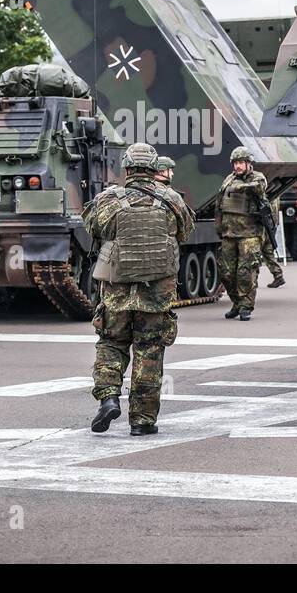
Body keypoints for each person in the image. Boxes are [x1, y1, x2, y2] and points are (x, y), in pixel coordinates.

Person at [85, 142, 194, 436]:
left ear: (128, 168)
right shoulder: (172, 199)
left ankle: (108, 398)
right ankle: (142, 421)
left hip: (117, 291)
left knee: (111, 344)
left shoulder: (108, 199)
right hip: (156, 293)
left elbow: (93, 230)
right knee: (149, 352)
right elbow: (185, 232)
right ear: (154, 167)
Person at [217, 146, 267, 321]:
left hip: (249, 234)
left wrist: (241, 187)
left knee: (245, 272)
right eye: (236, 163)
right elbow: (220, 205)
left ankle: (246, 306)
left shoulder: (257, 178)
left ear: (248, 163)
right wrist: (219, 228)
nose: (237, 166)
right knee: (226, 273)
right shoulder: (228, 179)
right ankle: (237, 303)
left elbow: (259, 188)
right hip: (229, 233)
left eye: (241, 163)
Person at [259, 200, 285, 289]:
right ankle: (278, 275)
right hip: (271, 224)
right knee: (267, 251)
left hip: (266, 223)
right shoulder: (275, 193)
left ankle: (252, 279)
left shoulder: (267, 192)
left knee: (256, 250)